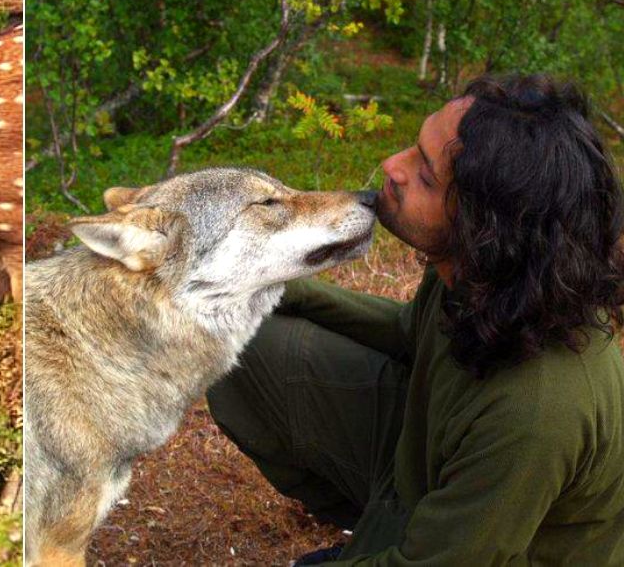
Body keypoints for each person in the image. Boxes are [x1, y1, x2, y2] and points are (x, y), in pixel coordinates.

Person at [207, 75, 624, 564]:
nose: (393, 166)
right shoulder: (485, 273)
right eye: (415, 148)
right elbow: (410, 332)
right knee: (246, 343)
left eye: (426, 175)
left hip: (495, 548)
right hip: (428, 458)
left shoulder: (536, 411)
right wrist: (283, 289)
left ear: (484, 226)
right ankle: (376, 532)